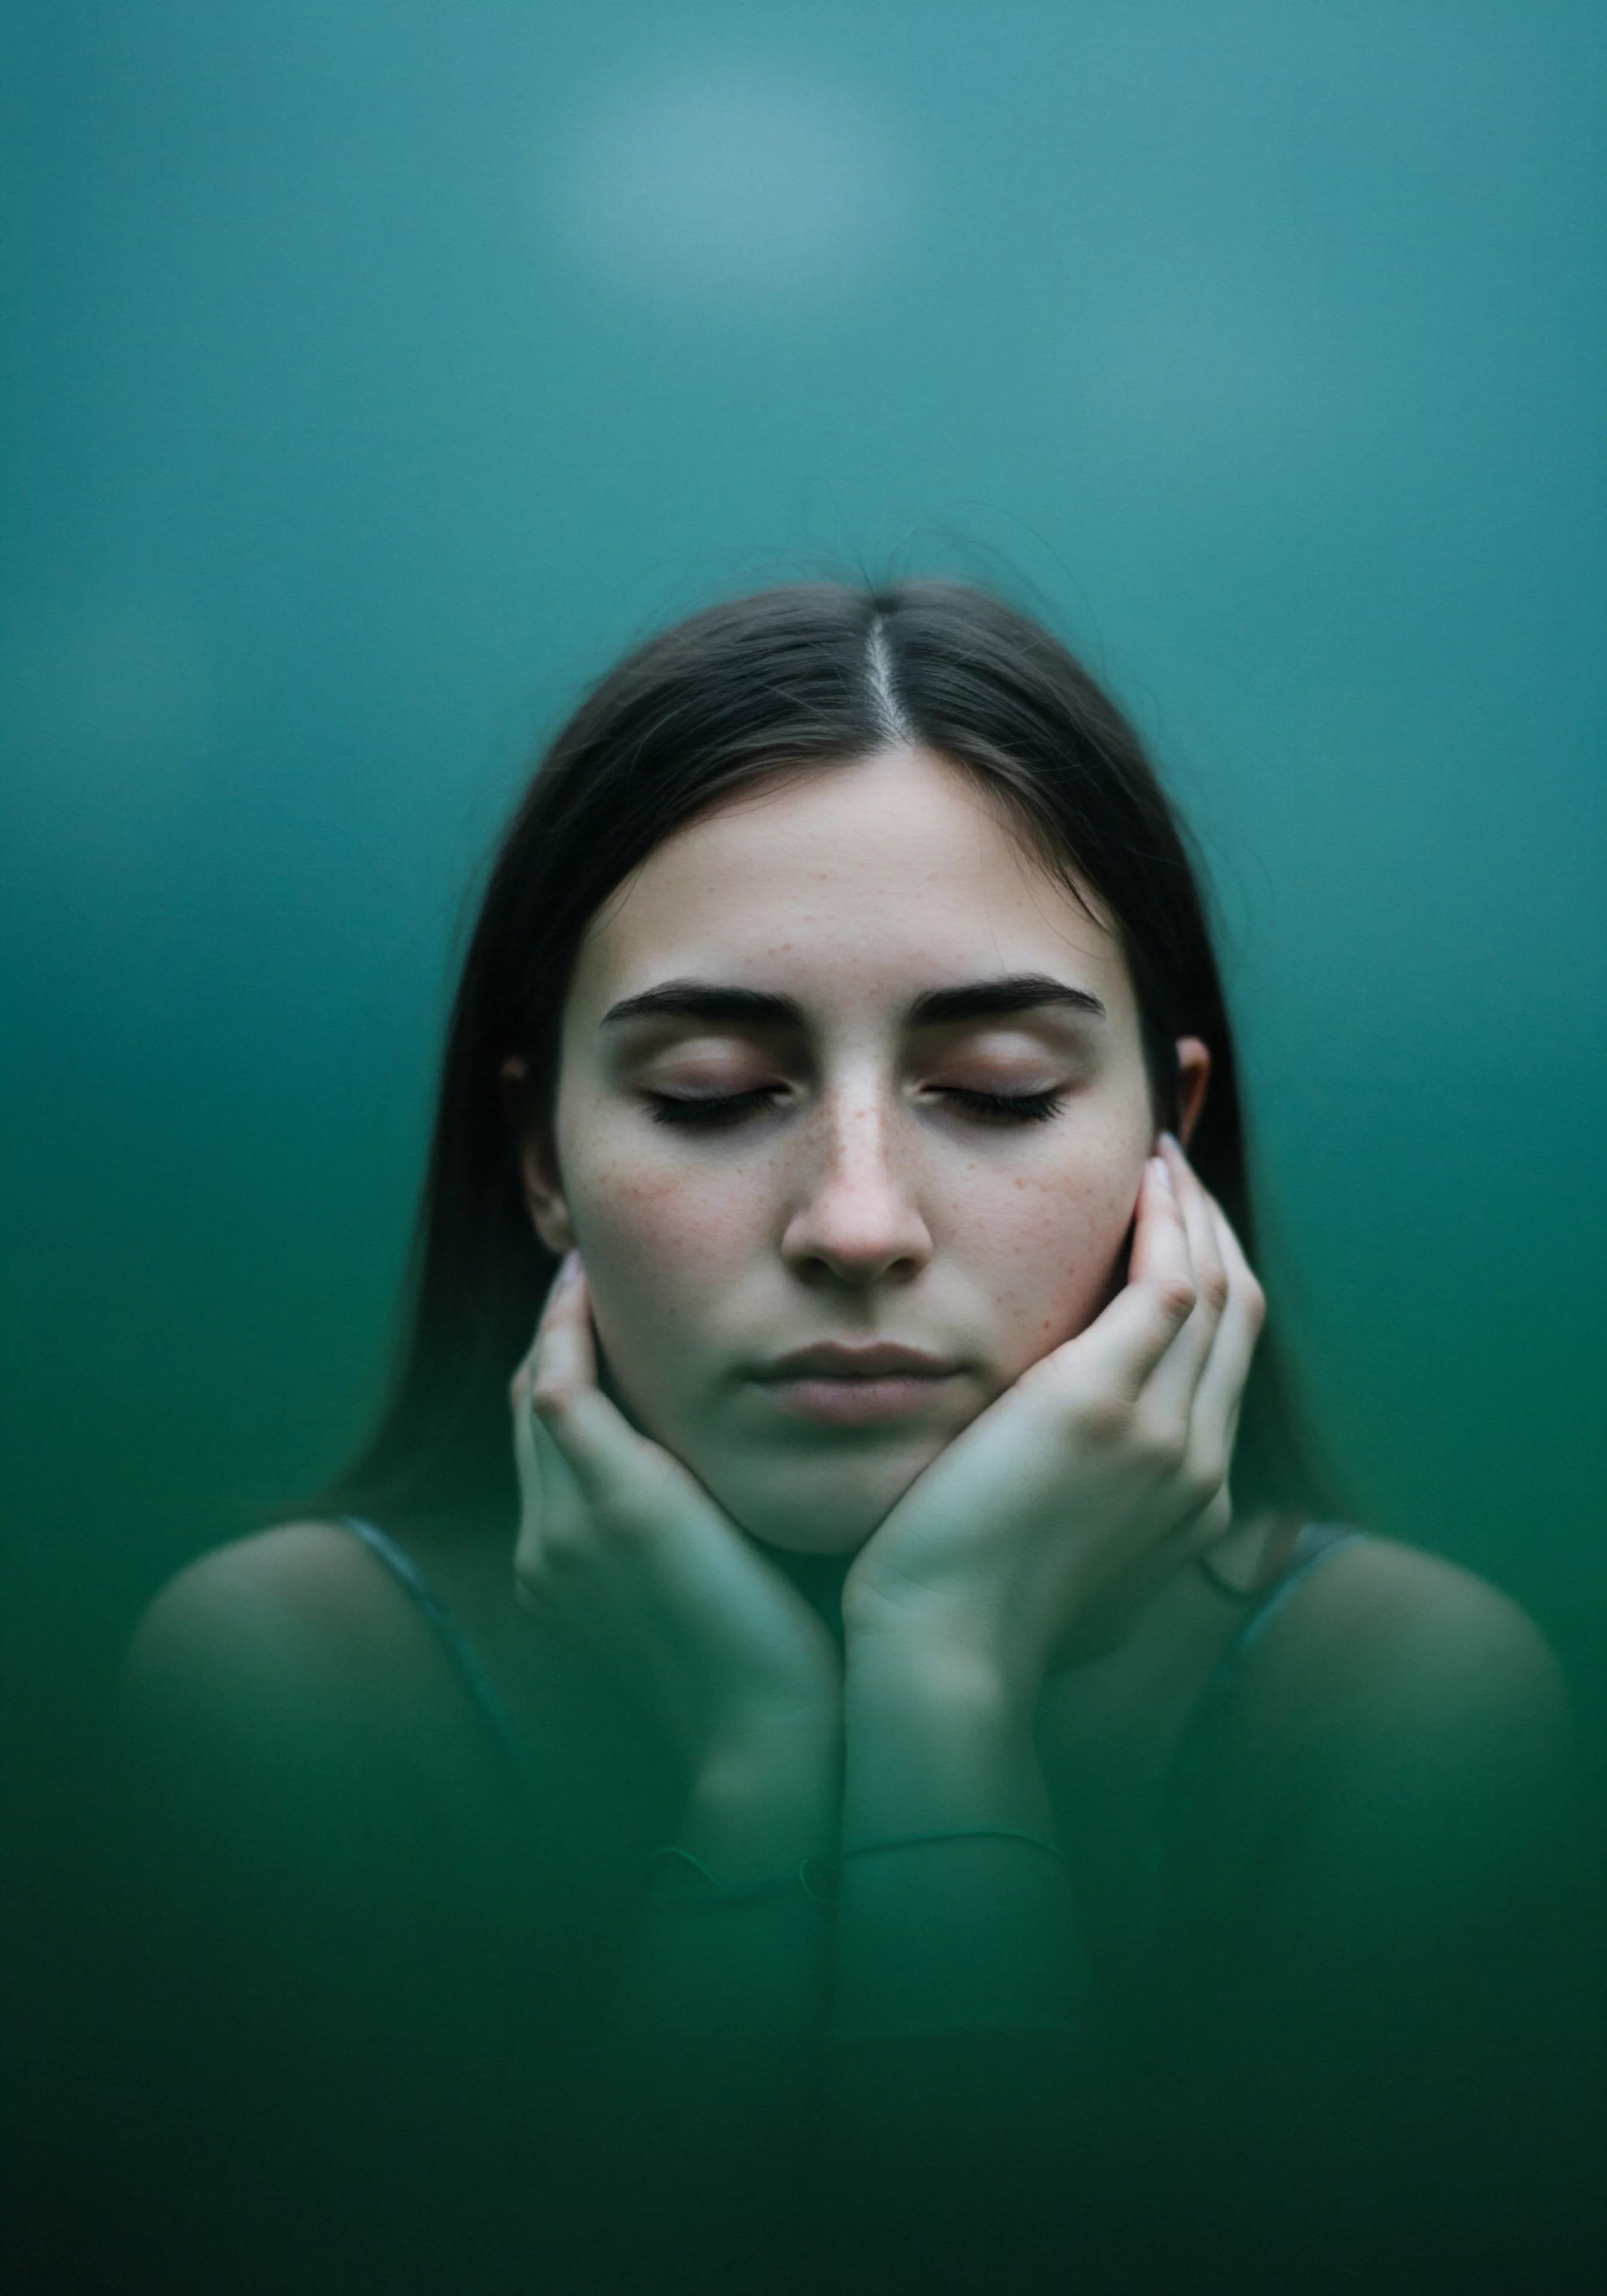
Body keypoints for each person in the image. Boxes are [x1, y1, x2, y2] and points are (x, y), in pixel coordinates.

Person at [111, 582, 1585, 2296]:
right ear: (541, 1158)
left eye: (1004, 1088)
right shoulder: (293, 1684)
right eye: (716, 1094)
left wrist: (941, 1679)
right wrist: (758, 1766)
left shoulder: (1401, 1712)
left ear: (1170, 1145)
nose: (859, 1222)